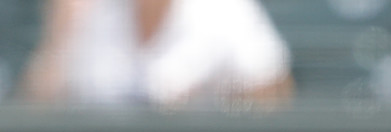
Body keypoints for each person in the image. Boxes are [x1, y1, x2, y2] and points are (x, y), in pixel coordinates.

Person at [20, 0, 293, 108]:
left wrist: (214, 96)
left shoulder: (223, 9)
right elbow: (37, 103)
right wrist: (58, 38)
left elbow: (277, 93)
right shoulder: (89, 11)